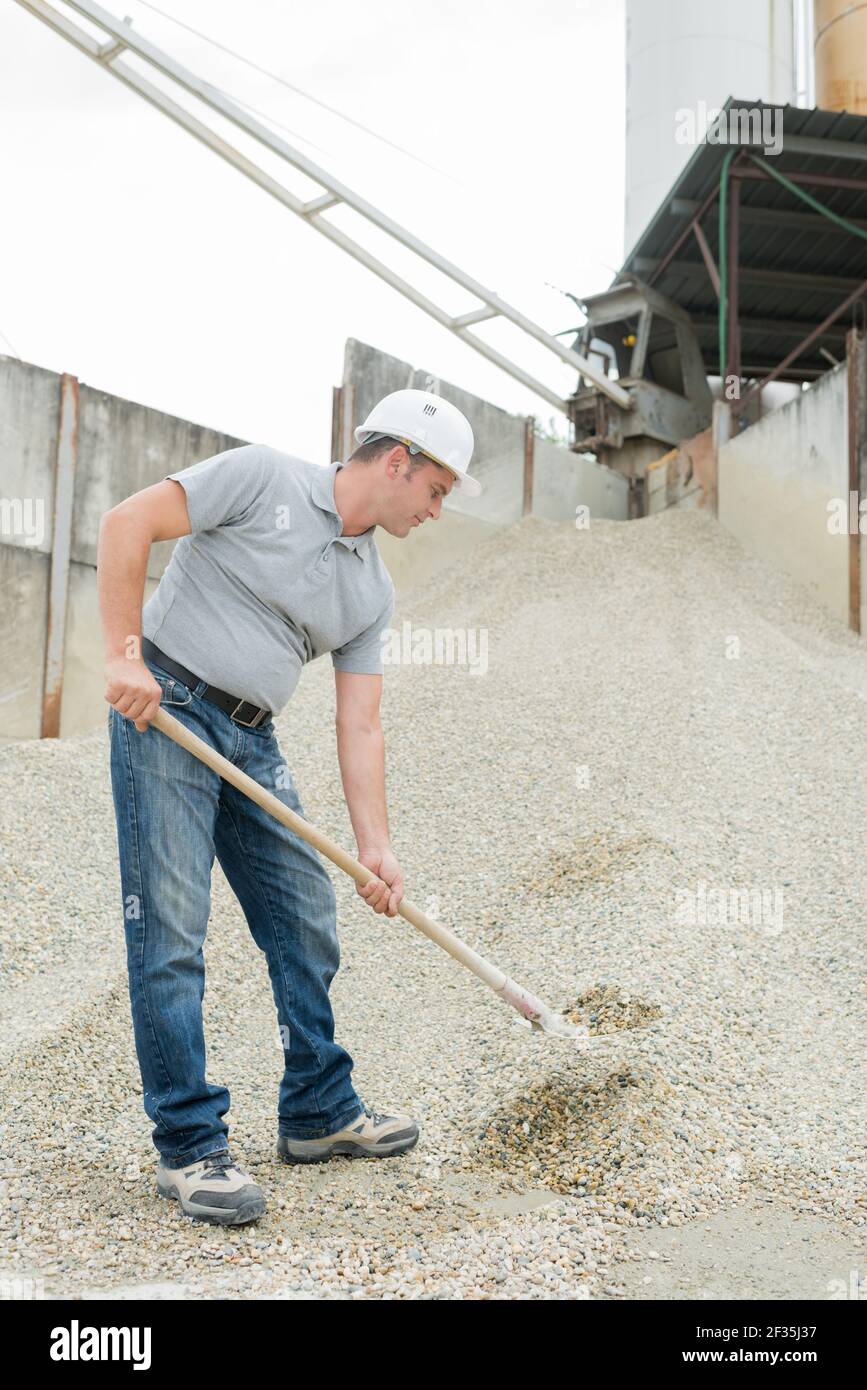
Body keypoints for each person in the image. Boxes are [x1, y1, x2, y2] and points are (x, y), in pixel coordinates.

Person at [97, 389, 481, 1225]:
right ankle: (190, 1148)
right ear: (396, 462)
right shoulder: (260, 476)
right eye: (437, 489)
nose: (436, 510)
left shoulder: (371, 589)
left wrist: (375, 847)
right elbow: (126, 522)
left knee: (306, 916)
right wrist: (125, 658)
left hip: (252, 741)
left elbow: (361, 720)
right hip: (164, 710)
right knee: (169, 932)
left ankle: (317, 1109)